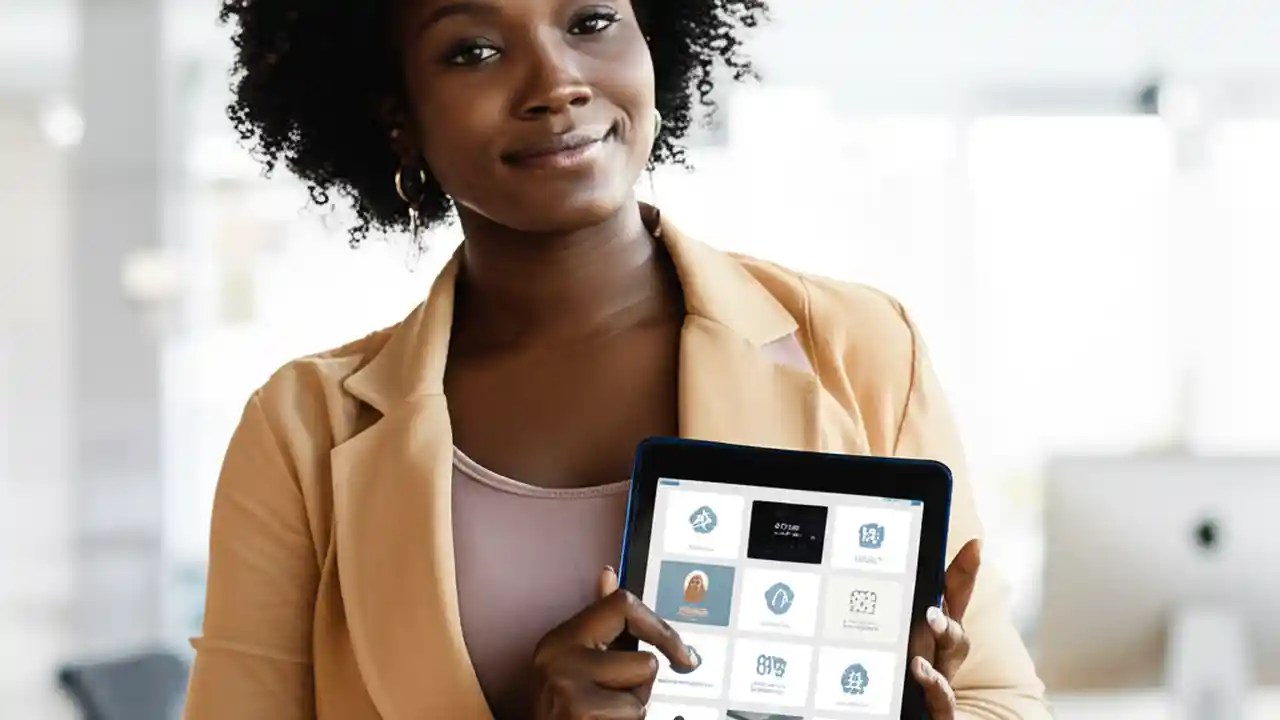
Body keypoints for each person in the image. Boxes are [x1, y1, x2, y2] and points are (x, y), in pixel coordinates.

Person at [184, 0, 1051, 718]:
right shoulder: (302, 430)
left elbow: (997, 702)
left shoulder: (858, 346)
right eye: (474, 50)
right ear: (397, 114)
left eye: (592, 20)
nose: (556, 82)